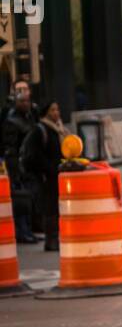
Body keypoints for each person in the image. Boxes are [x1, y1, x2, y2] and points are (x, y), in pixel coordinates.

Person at [21, 100, 66, 252]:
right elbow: (34, 155)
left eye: (57, 110)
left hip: (56, 175)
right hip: (46, 176)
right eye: (52, 110)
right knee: (50, 209)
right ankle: (51, 240)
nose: (56, 113)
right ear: (46, 113)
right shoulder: (40, 130)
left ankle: (56, 238)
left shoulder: (59, 129)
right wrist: (49, 169)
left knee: (56, 208)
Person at [1, 79, 39, 243]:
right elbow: (10, 148)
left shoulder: (31, 115)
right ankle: (22, 231)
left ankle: (29, 229)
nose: (26, 103)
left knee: (30, 198)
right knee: (21, 199)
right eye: (22, 100)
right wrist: (15, 169)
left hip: (29, 164)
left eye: (27, 100)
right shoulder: (11, 119)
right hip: (18, 166)